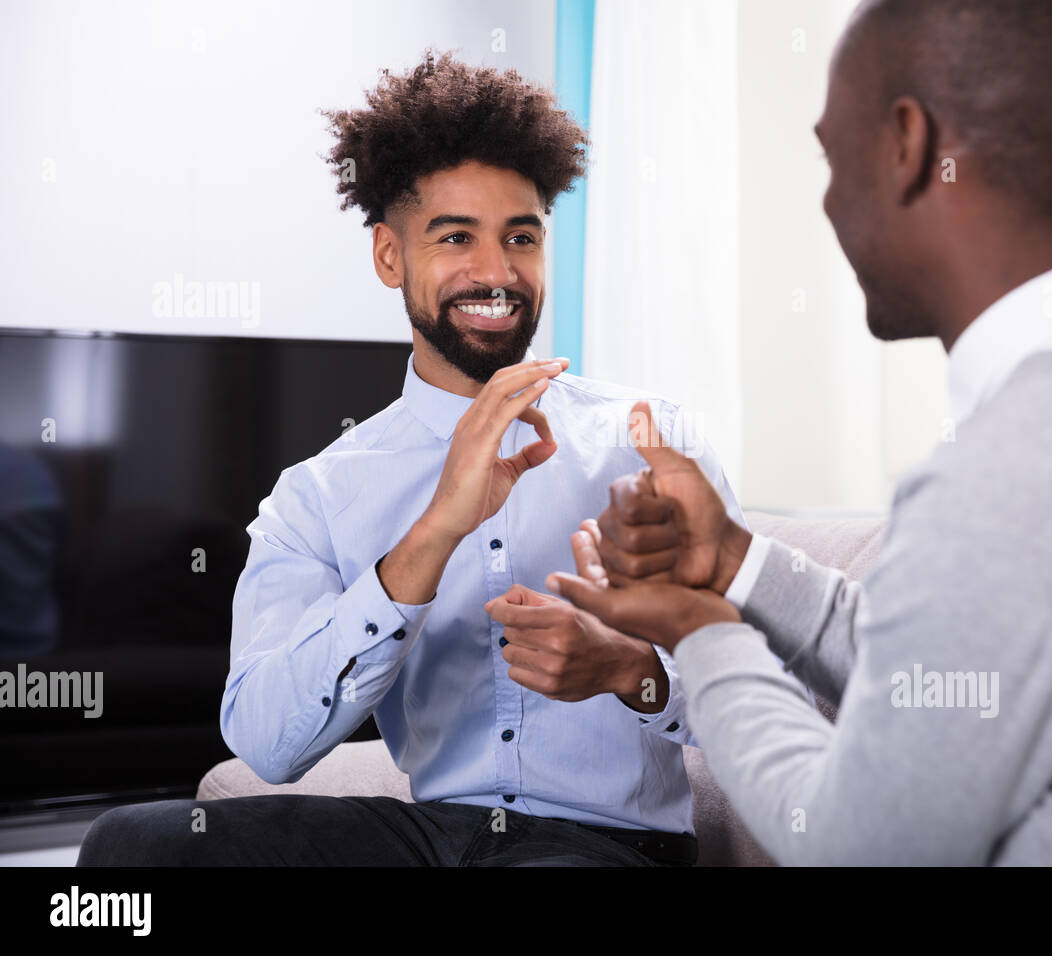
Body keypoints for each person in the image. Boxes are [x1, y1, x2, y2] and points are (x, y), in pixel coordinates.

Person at [546, 0, 1052, 865]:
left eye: (832, 158)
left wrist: (697, 628)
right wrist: (731, 558)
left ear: (907, 146)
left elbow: (845, 846)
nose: (828, 202)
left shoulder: (1004, 480)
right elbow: (951, 682)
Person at [76, 52, 753, 867]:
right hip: (425, 837)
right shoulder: (319, 494)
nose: (496, 273)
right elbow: (263, 740)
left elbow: (755, 702)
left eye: (521, 237)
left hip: (606, 844)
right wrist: (435, 531)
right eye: (455, 237)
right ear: (390, 257)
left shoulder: (652, 441)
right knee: (133, 850)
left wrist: (629, 669)